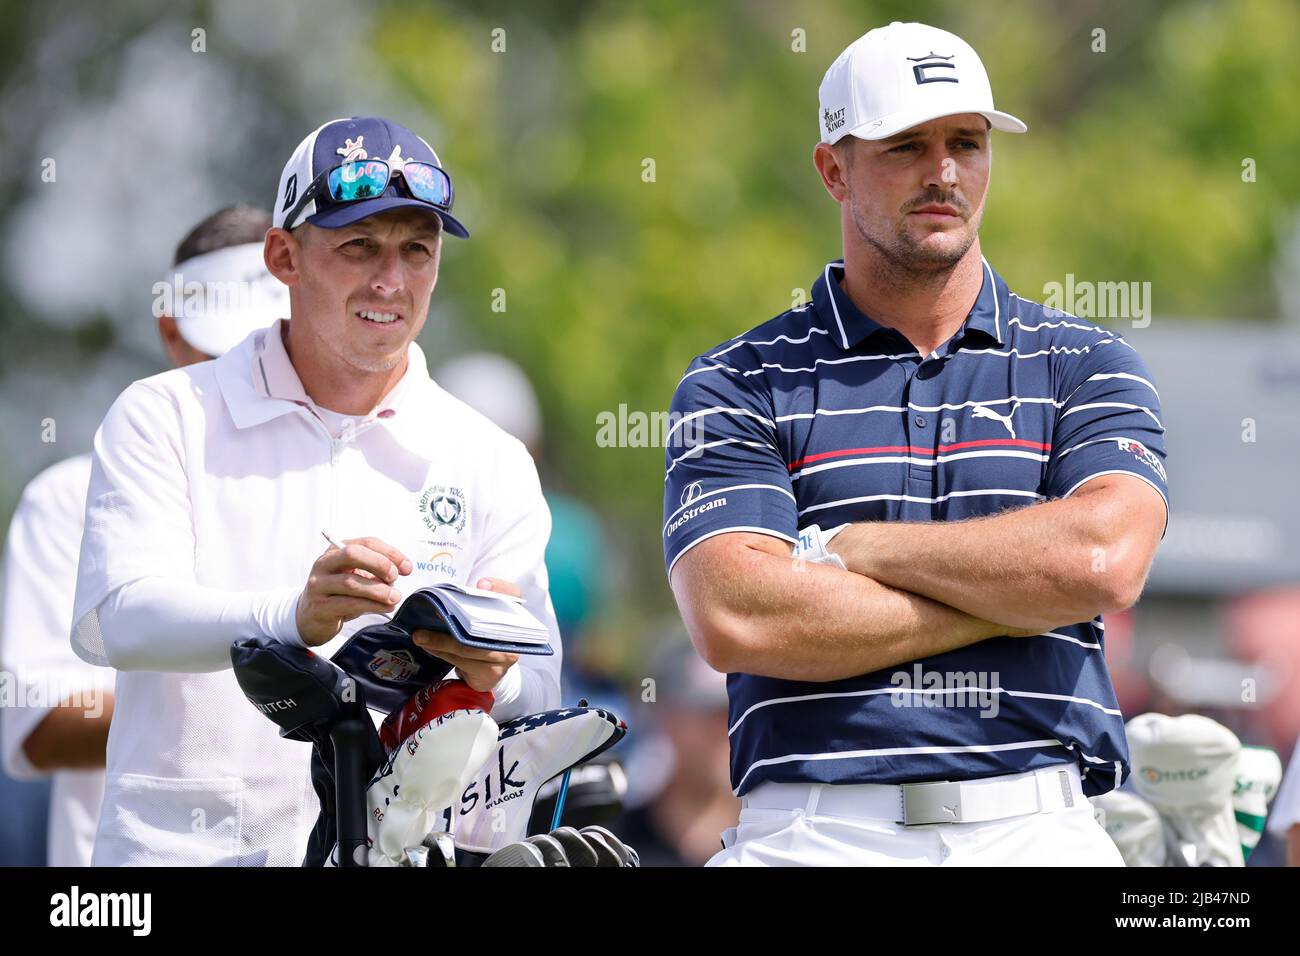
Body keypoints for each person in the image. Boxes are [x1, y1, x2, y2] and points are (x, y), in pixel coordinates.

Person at [663, 22, 1168, 866]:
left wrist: (857, 552)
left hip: (1040, 824)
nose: (944, 173)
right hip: (811, 832)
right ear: (833, 168)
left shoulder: (1087, 363)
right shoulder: (736, 382)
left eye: (966, 143)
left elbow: (1100, 565)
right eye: (906, 146)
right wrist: (1014, 594)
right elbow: (737, 614)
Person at [70, 116, 562, 866]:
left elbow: (543, 693)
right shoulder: (166, 413)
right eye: (357, 245)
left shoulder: (489, 457)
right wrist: (291, 615)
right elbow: (122, 619)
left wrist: (499, 671)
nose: (389, 282)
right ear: (284, 256)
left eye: (416, 251)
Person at [0, 204, 286, 866]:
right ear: (170, 332)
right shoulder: (68, 499)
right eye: (221, 352)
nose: (235, 379)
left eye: (261, 353)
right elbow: (36, 723)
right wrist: (255, 678)